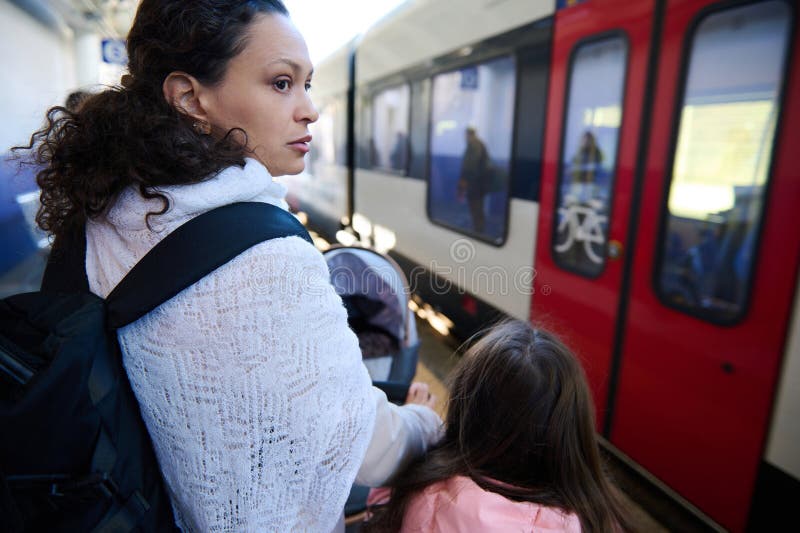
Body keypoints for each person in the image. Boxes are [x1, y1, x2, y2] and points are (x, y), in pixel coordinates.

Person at [15, 1, 442, 531]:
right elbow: (361, 446)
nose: (308, 109)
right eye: (282, 83)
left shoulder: (103, 208)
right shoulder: (266, 256)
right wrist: (426, 423)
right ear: (191, 97)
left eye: (307, 85)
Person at [364, 320, 633, 532]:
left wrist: (419, 429)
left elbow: (380, 512)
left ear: (467, 414)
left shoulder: (428, 499)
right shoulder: (596, 517)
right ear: (572, 429)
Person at [457, 127, 489, 233]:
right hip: (478, 182)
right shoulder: (478, 144)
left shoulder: (474, 145)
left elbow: (470, 165)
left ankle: (478, 231)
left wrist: (463, 182)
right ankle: (478, 228)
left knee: (476, 208)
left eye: (465, 135)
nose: (464, 137)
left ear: (468, 134)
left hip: (475, 183)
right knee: (476, 207)